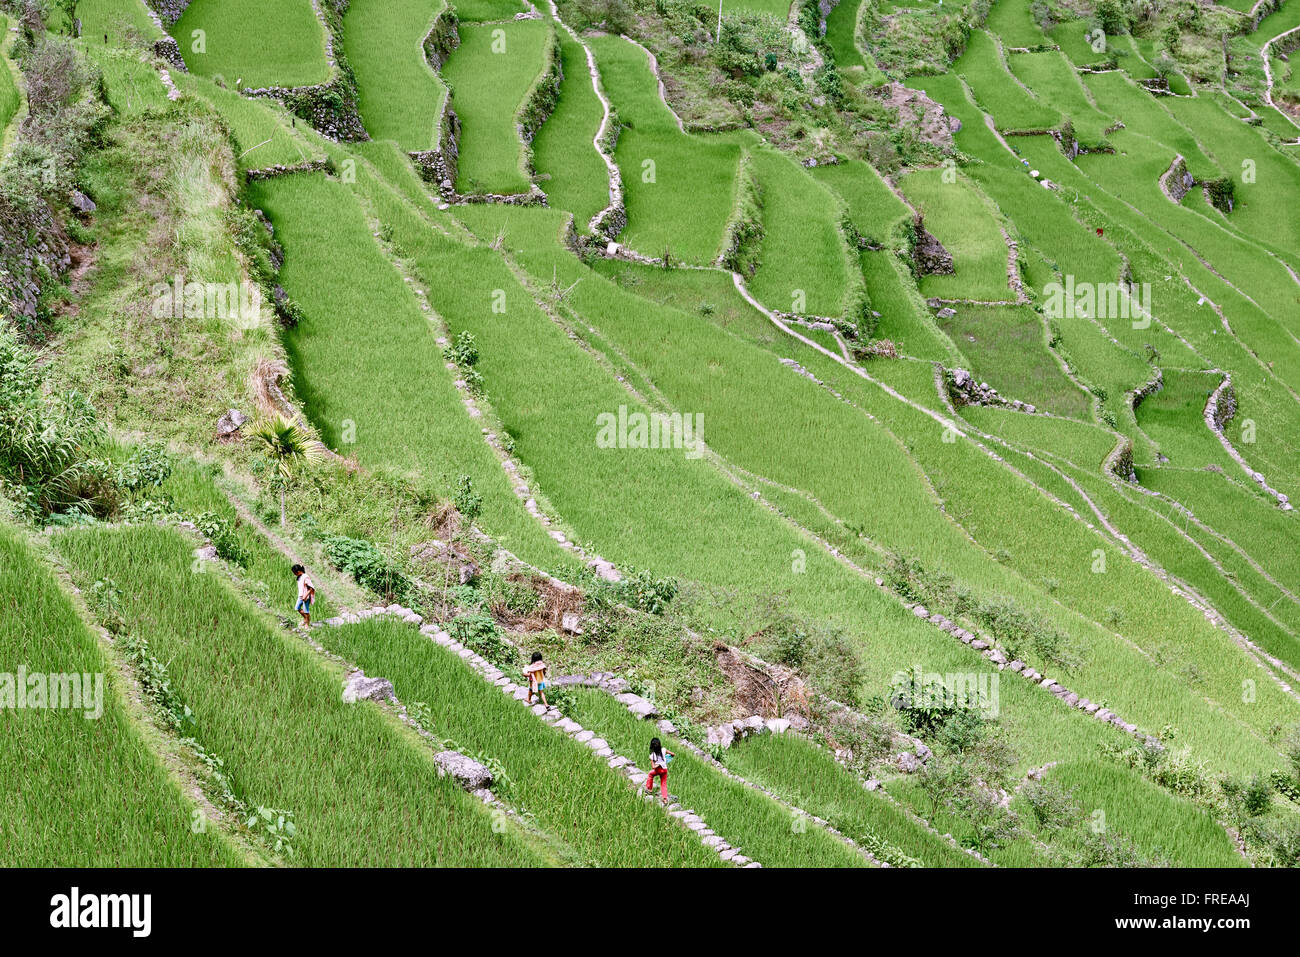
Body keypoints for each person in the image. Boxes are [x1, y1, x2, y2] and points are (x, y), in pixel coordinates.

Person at [645, 737, 674, 806]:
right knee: (663, 784)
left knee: (650, 774)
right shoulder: (663, 750)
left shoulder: (652, 756)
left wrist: (658, 764)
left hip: (658, 770)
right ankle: (665, 799)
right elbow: (673, 754)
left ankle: (649, 789)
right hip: (664, 770)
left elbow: (653, 767)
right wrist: (666, 758)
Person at [292, 563, 315, 629]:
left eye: (294, 573)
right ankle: (305, 619)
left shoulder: (305, 577)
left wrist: (305, 596)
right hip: (301, 596)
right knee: (297, 608)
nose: (294, 574)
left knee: (306, 610)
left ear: (298, 571)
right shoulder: (299, 577)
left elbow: (311, 588)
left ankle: (307, 624)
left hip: (306, 596)